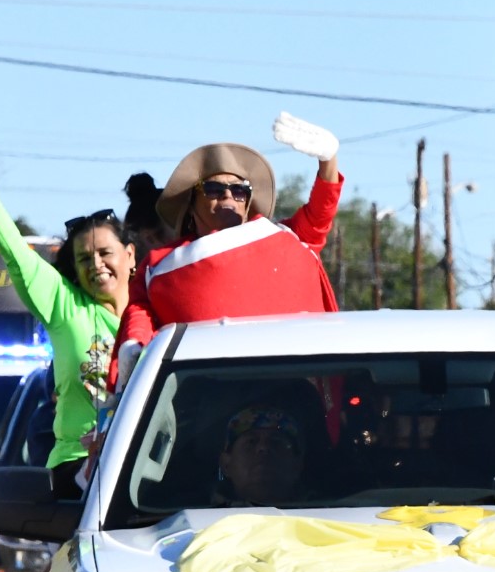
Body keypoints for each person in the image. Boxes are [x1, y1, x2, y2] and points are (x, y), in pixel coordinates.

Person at [0, 131, 137, 497]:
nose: (96, 264)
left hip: (142, 469)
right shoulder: (64, 304)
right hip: (78, 468)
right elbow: (18, 254)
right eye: (83, 258)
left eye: (105, 252)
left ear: (131, 255)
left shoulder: (157, 313)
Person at [114, 127, 343, 388]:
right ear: (190, 203)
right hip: (207, 400)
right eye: (212, 189)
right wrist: (134, 344)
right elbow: (140, 310)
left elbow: (320, 213)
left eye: (239, 190)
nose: (227, 196)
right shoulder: (160, 263)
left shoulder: (286, 237)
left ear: (248, 201)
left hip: (295, 391)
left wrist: (328, 160)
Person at [216, 404, 308, 506]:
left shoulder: (322, 515)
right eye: (251, 442)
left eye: (276, 442)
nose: (264, 448)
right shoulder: (199, 517)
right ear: (226, 465)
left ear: (297, 466)